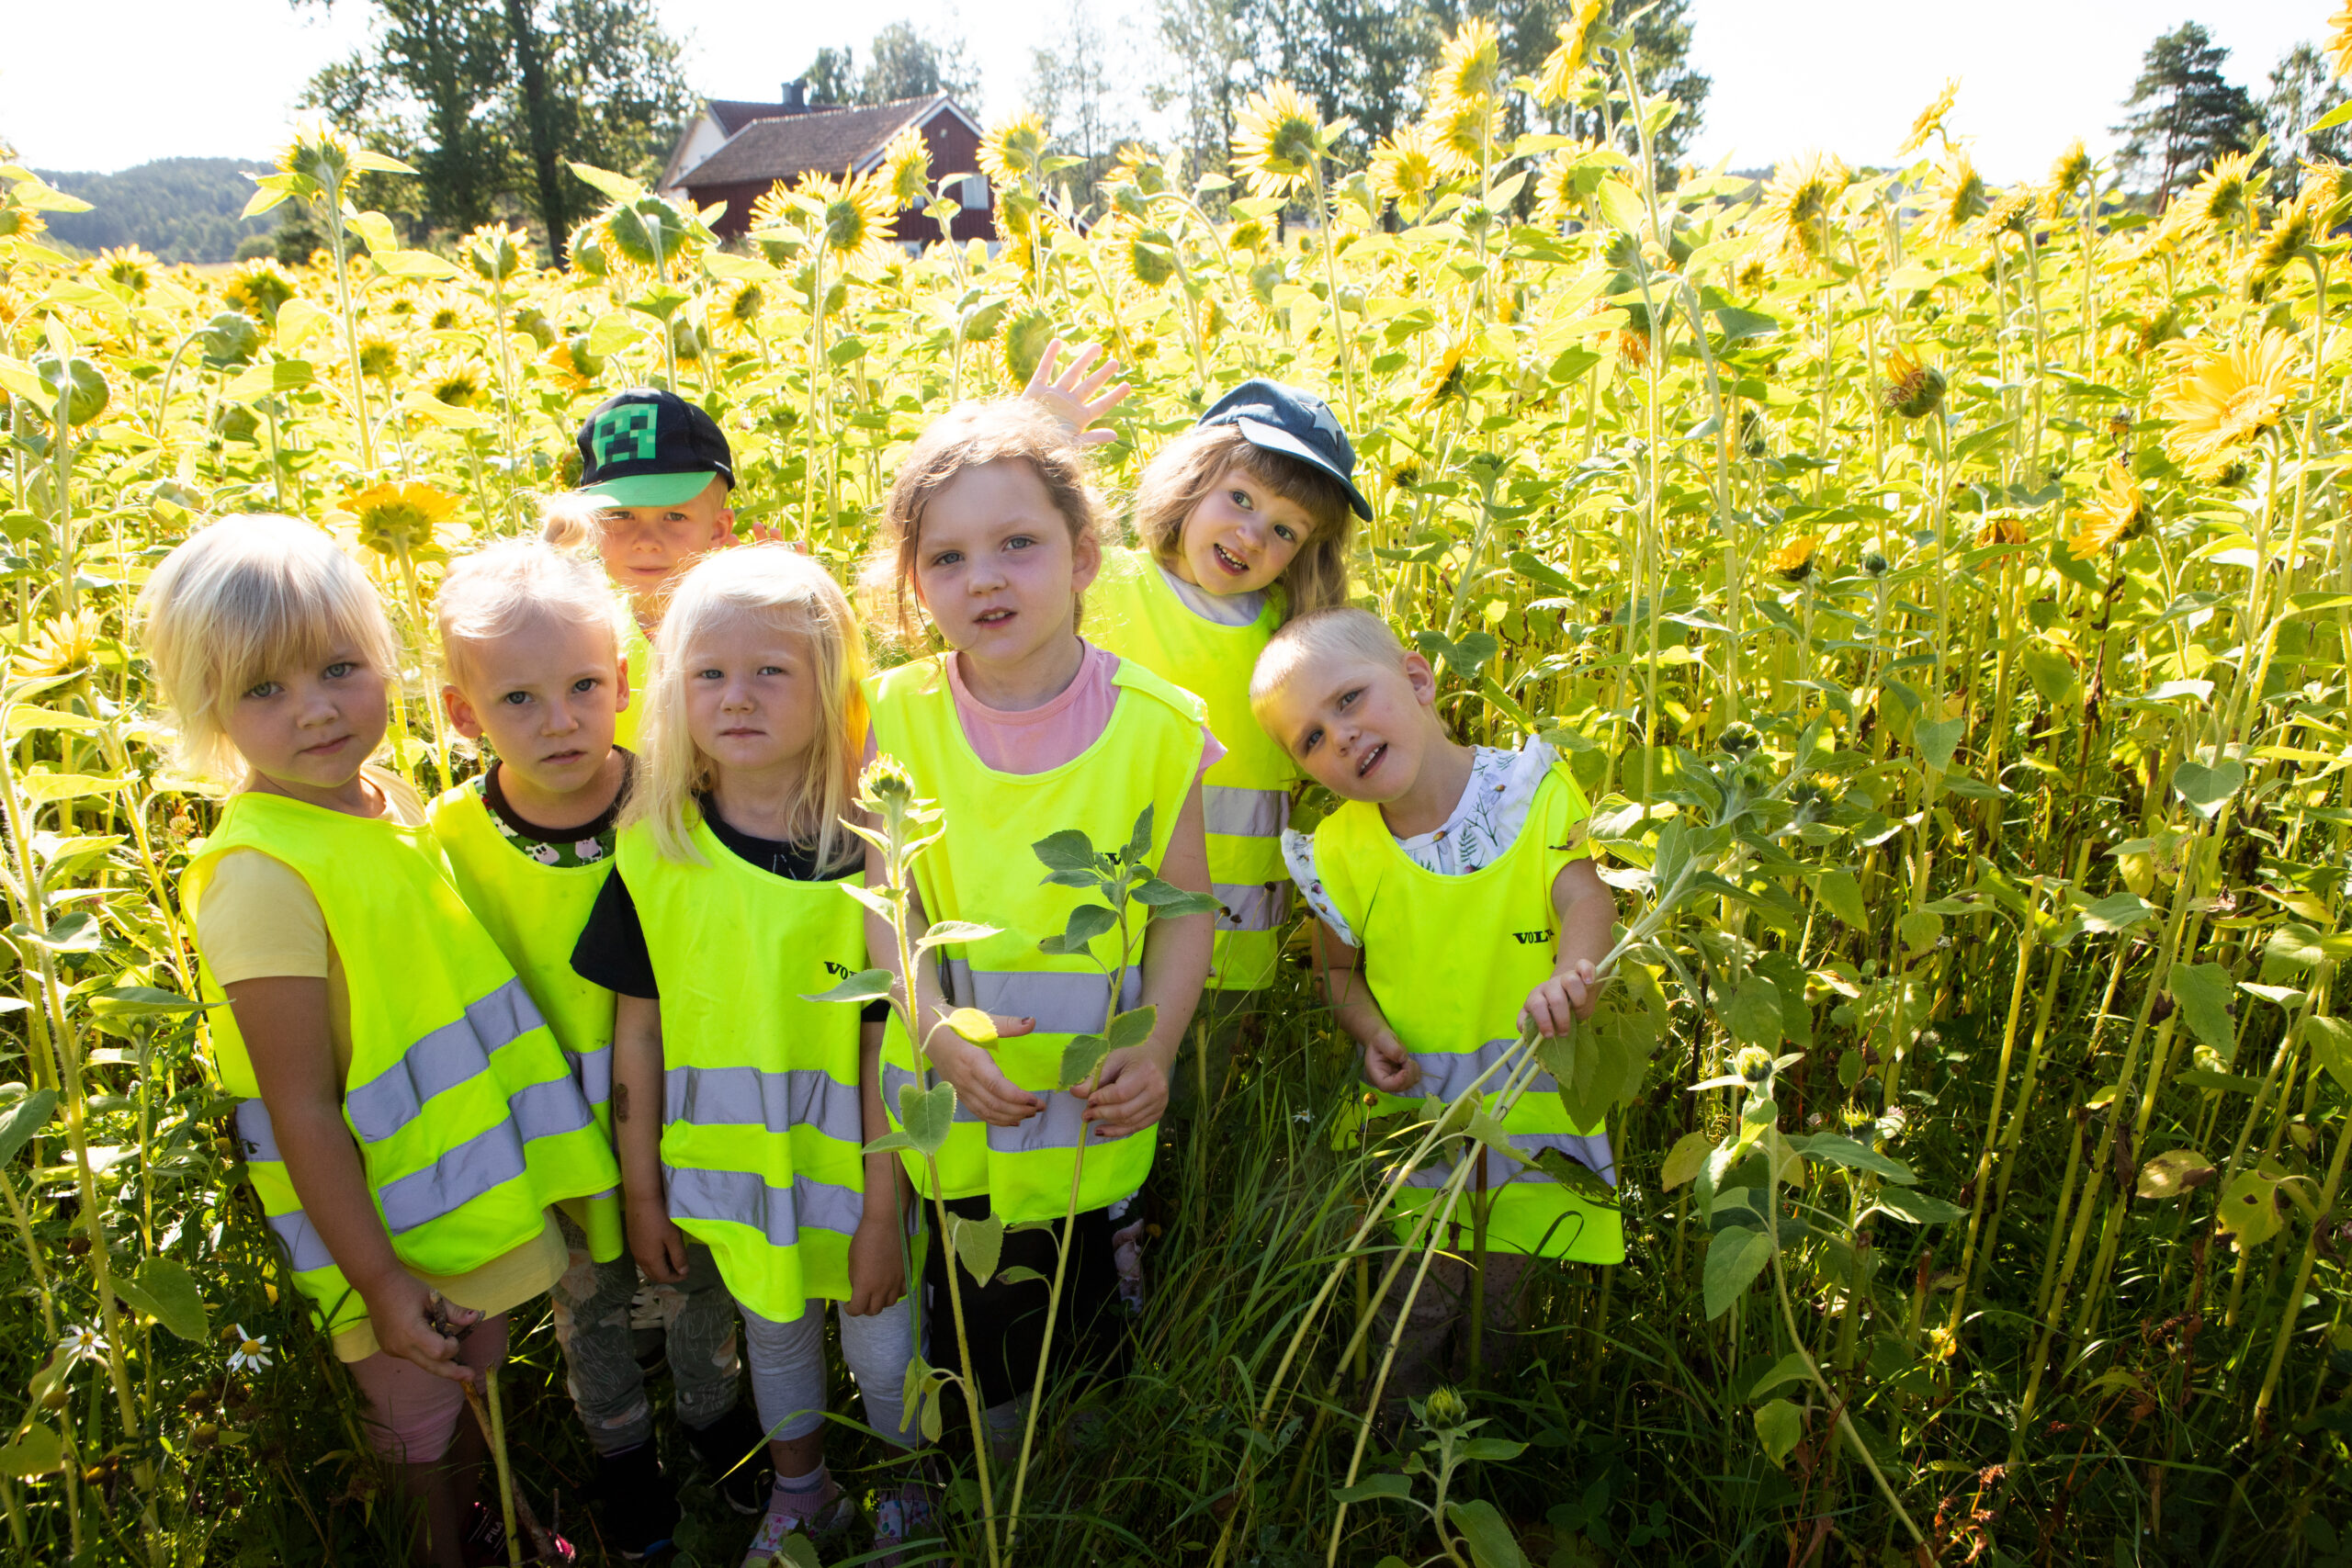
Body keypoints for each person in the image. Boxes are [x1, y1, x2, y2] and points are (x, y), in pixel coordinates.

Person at [144, 514, 612, 1566]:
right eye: (263, 690)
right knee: (412, 1428)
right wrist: (382, 1282)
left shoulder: (382, 802)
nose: (314, 709)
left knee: (472, 1381)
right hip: (387, 1227)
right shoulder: (262, 873)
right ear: (208, 711)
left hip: (468, 1193)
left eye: (340, 668)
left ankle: (495, 1525)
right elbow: (299, 1101)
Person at [858, 399, 1216, 1454]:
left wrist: (1156, 1044)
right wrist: (930, 1030)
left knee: (1093, 1310)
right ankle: (975, 1481)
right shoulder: (894, 718)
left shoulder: (1158, 724)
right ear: (915, 584)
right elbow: (888, 905)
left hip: (1097, 1097)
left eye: (1019, 544)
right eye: (949, 556)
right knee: (970, 1314)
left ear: (1083, 557)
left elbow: (1185, 911)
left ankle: (1082, 1483)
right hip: (959, 1096)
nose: (986, 578)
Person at [577, 545, 929, 1565]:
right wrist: (642, 1192)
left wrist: (880, 1209)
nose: (738, 697)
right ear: (672, 693)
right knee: (772, 1339)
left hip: (857, 1180)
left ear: (834, 692)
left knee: (882, 1340)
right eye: (710, 674)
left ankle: (907, 1486)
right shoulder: (653, 854)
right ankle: (802, 1492)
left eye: (772, 671)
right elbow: (634, 1032)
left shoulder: (870, 857)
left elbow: (883, 1045)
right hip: (733, 1177)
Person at [426, 540, 770, 1558]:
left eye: (583, 687)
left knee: (697, 1281)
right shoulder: (450, 839)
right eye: (519, 700)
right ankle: (622, 1460)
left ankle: (718, 1425)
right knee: (590, 1309)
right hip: (551, 1133)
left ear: (624, 683)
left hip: (685, 1108)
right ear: (461, 715)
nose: (561, 719)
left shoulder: (675, 800)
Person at [1250, 607, 1625, 1391]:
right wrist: (1369, 1029)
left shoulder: (1528, 793)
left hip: (1530, 1110)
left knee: (1504, 1302)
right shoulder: (1342, 851)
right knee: (1414, 1303)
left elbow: (1585, 898)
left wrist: (1574, 971)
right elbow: (1337, 971)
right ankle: (1394, 1450)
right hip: (1420, 1118)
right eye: (1311, 738)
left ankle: (1488, 1451)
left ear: (1417, 679)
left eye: (1349, 699)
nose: (1341, 735)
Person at [1030, 344, 1369, 1097]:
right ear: (1192, 480)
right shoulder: (1106, 581)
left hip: (1232, 925)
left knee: (1191, 1106)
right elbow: (1006, 548)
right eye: (1241, 499)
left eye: (1286, 531)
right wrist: (1040, 439)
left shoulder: (1293, 641)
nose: (1253, 535)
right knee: (1078, 1091)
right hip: (1097, 905)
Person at [540, 387, 753, 751]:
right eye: (621, 515)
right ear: (591, 525)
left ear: (719, 528)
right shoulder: (579, 633)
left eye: (674, 515)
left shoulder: (750, 622)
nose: (646, 540)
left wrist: (795, 615)